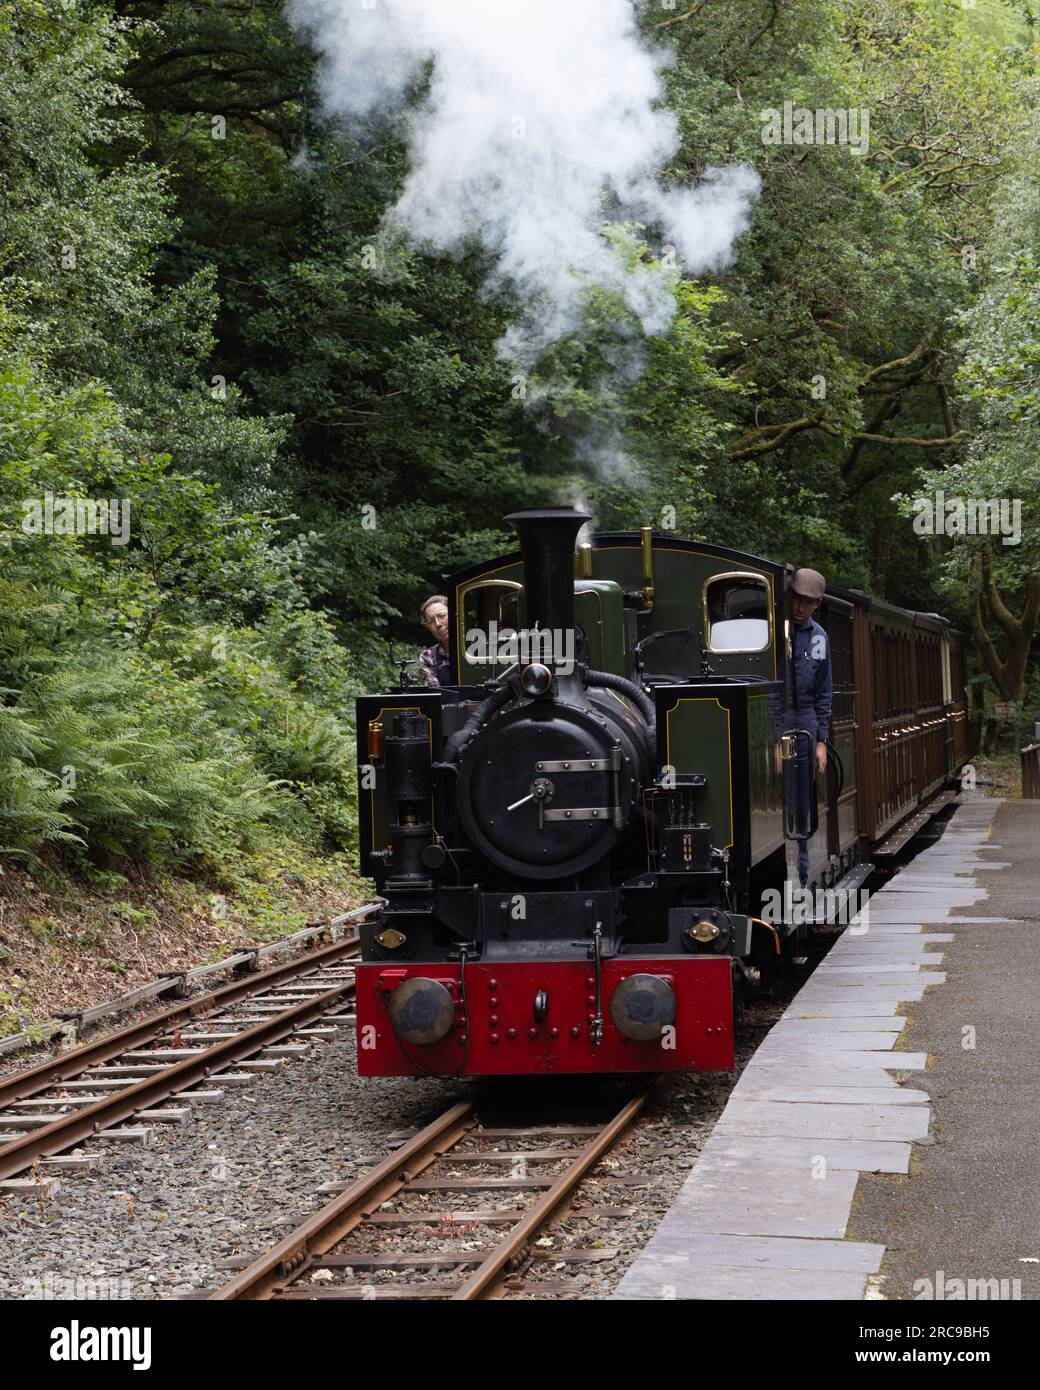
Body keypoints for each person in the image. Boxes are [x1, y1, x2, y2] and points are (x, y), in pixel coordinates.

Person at [784, 567, 832, 885]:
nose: (800, 607)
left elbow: (824, 690)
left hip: (806, 721)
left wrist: (821, 741)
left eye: (808, 602)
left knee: (803, 794)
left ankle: (802, 860)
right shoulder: (777, 631)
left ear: (816, 605)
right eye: (797, 599)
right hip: (779, 714)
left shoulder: (819, 638)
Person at [418, 594, 451, 687]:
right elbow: (438, 694)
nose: (437, 624)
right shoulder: (428, 657)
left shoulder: (478, 647)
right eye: (431, 621)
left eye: (442, 616)